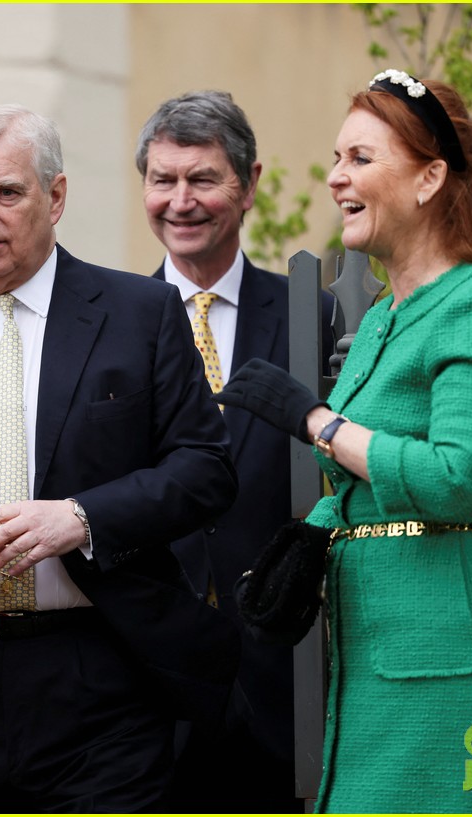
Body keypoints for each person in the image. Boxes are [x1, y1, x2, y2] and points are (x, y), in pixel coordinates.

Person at [0, 104, 240, 813]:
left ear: (55, 196)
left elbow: (206, 467)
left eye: (6, 193)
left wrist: (82, 516)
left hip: (100, 671)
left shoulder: (141, 312)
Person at [218, 69, 472, 813]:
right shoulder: (379, 315)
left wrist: (316, 421)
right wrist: (303, 544)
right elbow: (366, 484)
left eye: (361, 159)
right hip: (383, 659)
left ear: (432, 177)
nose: (337, 177)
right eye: (337, 159)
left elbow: (457, 477)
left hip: (468, 668)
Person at [136, 89, 335, 812]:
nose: (180, 201)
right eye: (164, 180)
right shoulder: (113, 319)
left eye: (203, 179)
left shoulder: (317, 315)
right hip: (155, 689)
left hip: (287, 674)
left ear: (249, 185)